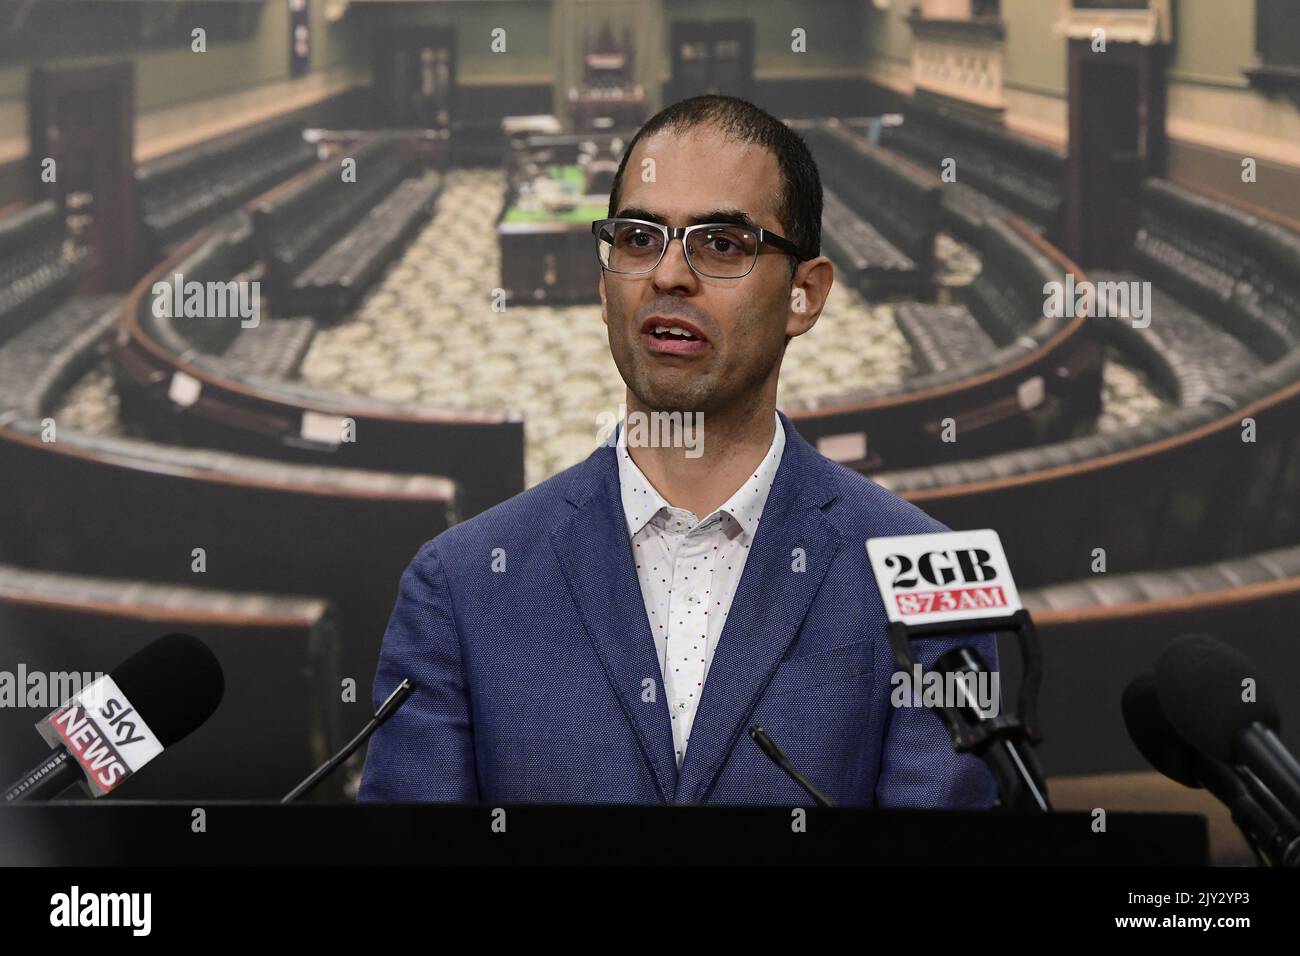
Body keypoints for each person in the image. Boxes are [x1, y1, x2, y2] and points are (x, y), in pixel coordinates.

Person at [359, 95, 997, 806]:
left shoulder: (933, 582)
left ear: (805, 296)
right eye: (638, 238)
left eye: (722, 245)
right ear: (605, 287)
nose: (668, 275)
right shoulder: (460, 584)